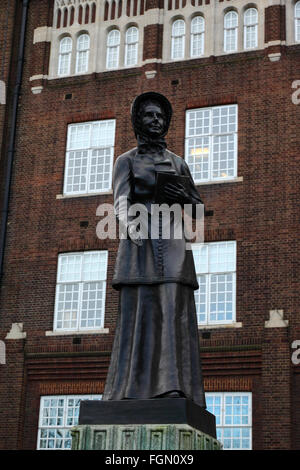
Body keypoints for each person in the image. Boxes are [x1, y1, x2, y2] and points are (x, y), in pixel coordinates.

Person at [103, 92, 206, 408]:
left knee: (172, 307)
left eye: (160, 116)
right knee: (140, 311)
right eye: (149, 115)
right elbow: (121, 198)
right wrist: (128, 224)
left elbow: (198, 208)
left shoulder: (178, 163)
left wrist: (183, 196)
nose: (156, 120)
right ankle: (128, 387)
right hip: (140, 238)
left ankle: (174, 386)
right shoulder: (127, 160)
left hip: (173, 240)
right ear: (138, 121)